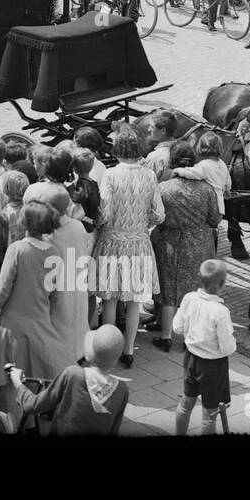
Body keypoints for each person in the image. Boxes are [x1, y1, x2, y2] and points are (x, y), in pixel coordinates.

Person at [0, 201, 67, 417]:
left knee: (12, 385)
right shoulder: (55, 253)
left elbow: (1, 291)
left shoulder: (17, 249)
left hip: (12, 328)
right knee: (31, 381)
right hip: (40, 323)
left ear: (26, 222)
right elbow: (55, 295)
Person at [92, 129, 163, 368]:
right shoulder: (149, 175)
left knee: (110, 299)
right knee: (134, 301)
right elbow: (159, 214)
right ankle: (129, 350)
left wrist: (101, 226)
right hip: (138, 242)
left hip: (112, 241)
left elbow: (105, 212)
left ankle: (108, 348)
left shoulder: (111, 174)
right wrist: (143, 225)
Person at [150, 141, 220, 354]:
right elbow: (215, 219)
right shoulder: (207, 189)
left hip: (171, 241)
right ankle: (191, 336)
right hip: (200, 243)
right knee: (196, 290)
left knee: (170, 288)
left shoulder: (164, 188)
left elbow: (158, 217)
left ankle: (166, 336)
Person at [6, 324, 130, 436]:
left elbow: (33, 405)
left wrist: (17, 382)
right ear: (115, 360)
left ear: (90, 353)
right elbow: (114, 429)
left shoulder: (73, 374)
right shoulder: (122, 390)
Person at [173, 259, 236, 435]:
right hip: (213, 366)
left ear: (199, 278)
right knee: (209, 414)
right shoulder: (221, 311)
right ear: (223, 283)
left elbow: (177, 327)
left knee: (186, 404)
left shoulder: (189, 299)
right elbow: (227, 346)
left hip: (191, 358)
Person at [142, 110, 176, 181]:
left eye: (152, 127)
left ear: (163, 131)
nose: (149, 130)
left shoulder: (154, 158)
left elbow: (146, 185)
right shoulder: (184, 149)